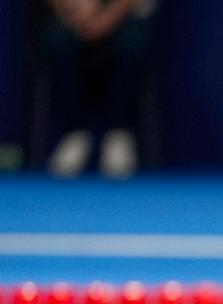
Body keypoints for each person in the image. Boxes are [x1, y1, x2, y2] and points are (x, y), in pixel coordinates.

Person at [38, 0, 159, 178]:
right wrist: (74, 13)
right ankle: (73, 134)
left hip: (120, 19)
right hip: (70, 19)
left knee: (133, 43)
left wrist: (105, 19)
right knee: (57, 41)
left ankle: (118, 135)